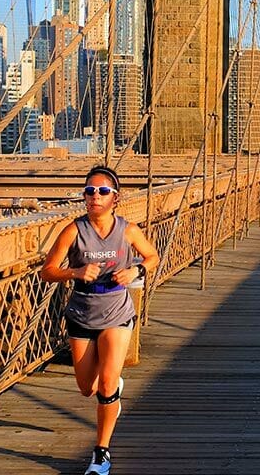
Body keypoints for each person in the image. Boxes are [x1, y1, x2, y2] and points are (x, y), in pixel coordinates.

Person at [40, 165, 160, 475]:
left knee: (106, 384)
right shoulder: (73, 230)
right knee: (86, 387)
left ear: (115, 198)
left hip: (117, 313)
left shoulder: (128, 230)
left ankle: (101, 453)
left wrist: (136, 270)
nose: (95, 196)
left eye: (102, 191)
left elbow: (152, 256)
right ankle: (110, 388)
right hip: (81, 312)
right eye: (89, 191)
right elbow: (47, 271)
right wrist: (75, 272)